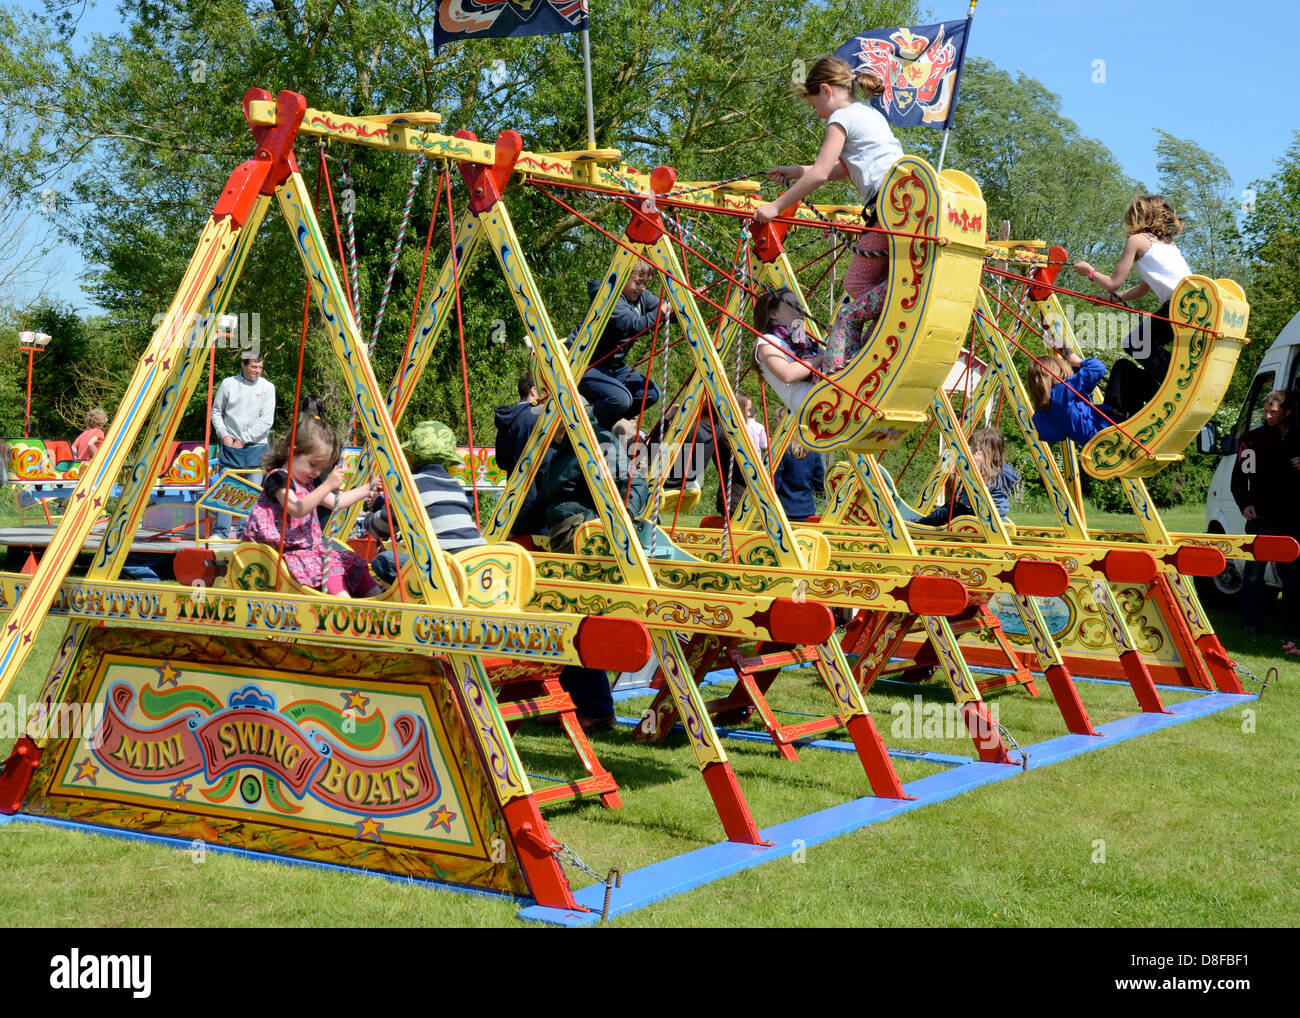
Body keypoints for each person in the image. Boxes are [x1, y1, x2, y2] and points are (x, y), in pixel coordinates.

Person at [754, 56, 903, 372]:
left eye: (814, 106)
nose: (818, 114)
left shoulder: (841, 119)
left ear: (825, 90)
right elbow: (841, 169)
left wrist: (775, 207)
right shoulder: (868, 115)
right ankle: (885, 323)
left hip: (885, 212)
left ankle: (842, 368)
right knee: (869, 288)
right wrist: (794, 170)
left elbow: (821, 174)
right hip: (901, 206)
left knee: (856, 287)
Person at [1072, 195, 1192, 418]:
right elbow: (1143, 288)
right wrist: (1108, 300)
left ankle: (1172, 380)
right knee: (1144, 343)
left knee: (1136, 342)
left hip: (1175, 304)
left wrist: (1089, 271)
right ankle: (1172, 375)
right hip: (1191, 302)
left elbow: (1113, 283)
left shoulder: (1136, 241)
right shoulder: (1169, 244)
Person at [243, 417, 379, 597]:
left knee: (353, 562)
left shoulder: (308, 484)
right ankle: (344, 606)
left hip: (305, 552)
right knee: (330, 565)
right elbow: (297, 509)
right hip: (285, 552)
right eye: (313, 465)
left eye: (321, 468)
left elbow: (336, 502)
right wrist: (327, 485)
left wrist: (368, 487)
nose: (316, 472)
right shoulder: (278, 479)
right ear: (293, 452)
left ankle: (376, 600)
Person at [364, 420, 486, 586]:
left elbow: (381, 528)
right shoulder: (455, 485)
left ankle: (404, 599)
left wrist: (370, 517)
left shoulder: (412, 485)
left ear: (411, 458)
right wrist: (381, 505)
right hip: (476, 561)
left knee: (383, 560)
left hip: (445, 566)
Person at [1230, 390, 1300, 634]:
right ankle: (1250, 622)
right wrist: (1245, 504)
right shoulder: (1252, 439)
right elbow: (1239, 478)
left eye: (1274, 412)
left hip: (1293, 518)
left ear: (1288, 412)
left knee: (1293, 575)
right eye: (1266, 411)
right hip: (1262, 516)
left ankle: (1292, 625)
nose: (1268, 416)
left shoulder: (1297, 437)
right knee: (1253, 572)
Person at [577, 264, 671, 429]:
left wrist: (684, 305)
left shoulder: (641, 297)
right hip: (586, 362)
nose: (642, 288)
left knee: (650, 393)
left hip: (611, 366)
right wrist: (662, 311)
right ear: (623, 278)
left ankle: (604, 423)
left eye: (645, 284)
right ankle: (587, 425)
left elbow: (666, 310)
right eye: (638, 282)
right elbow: (633, 325)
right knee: (621, 399)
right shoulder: (608, 296)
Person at [210, 350, 275, 539]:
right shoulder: (228, 384)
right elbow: (216, 412)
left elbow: (266, 420)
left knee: (252, 494)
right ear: (243, 365)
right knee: (226, 488)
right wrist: (224, 435)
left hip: (255, 446)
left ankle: (245, 533)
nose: (258, 371)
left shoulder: (267, 387)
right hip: (230, 445)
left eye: (260, 367)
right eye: (254, 367)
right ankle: (221, 531)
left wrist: (244, 438)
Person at [914, 428, 1019, 527]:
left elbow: (979, 493)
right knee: (952, 507)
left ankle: (921, 525)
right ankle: (924, 522)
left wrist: (975, 469)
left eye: (972, 449)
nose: (970, 451)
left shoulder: (992, 474)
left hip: (985, 514)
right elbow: (950, 470)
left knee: (949, 509)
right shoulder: (1000, 470)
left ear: (981, 453)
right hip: (992, 513)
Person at [1027, 346, 1126, 447]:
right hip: (1109, 430)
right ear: (1059, 369)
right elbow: (1097, 368)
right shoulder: (1060, 392)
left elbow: (1083, 383)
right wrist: (1076, 360)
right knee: (1122, 367)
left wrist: (1065, 350)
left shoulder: (1048, 407)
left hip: (1096, 446)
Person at [493, 371, 553, 536]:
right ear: (534, 391)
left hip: (513, 502)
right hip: (537, 505)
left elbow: (501, 462)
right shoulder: (539, 419)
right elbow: (546, 464)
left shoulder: (508, 420)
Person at [753, 287, 821, 413]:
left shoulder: (802, 342)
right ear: (773, 313)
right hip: (814, 403)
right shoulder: (767, 342)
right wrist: (822, 357)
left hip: (823, 394)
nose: (801, 311)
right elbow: (787, 374)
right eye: (794, 306)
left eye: (801, 307)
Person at [773, 435, 825, 523]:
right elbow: (821, 483)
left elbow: (775, 483)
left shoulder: (784, 451)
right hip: (807, 510)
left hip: (784, 509)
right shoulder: (814, 453)